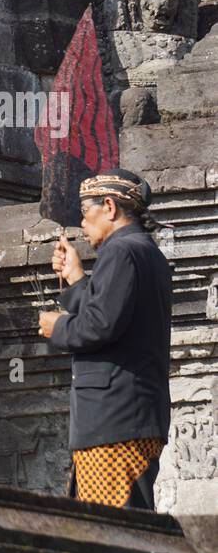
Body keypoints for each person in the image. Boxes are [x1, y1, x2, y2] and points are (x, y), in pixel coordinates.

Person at [38, 170, 173, 510]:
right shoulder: (146, 252)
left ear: (109, 207)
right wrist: (77, 279)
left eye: (85, 212)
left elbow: (99, 326)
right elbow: (112, 315)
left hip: (114, 420)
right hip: (131, 416)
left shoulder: (122, 252)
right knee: (119, 524)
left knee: (111, 531)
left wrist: (59, 328)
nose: (83, 224)